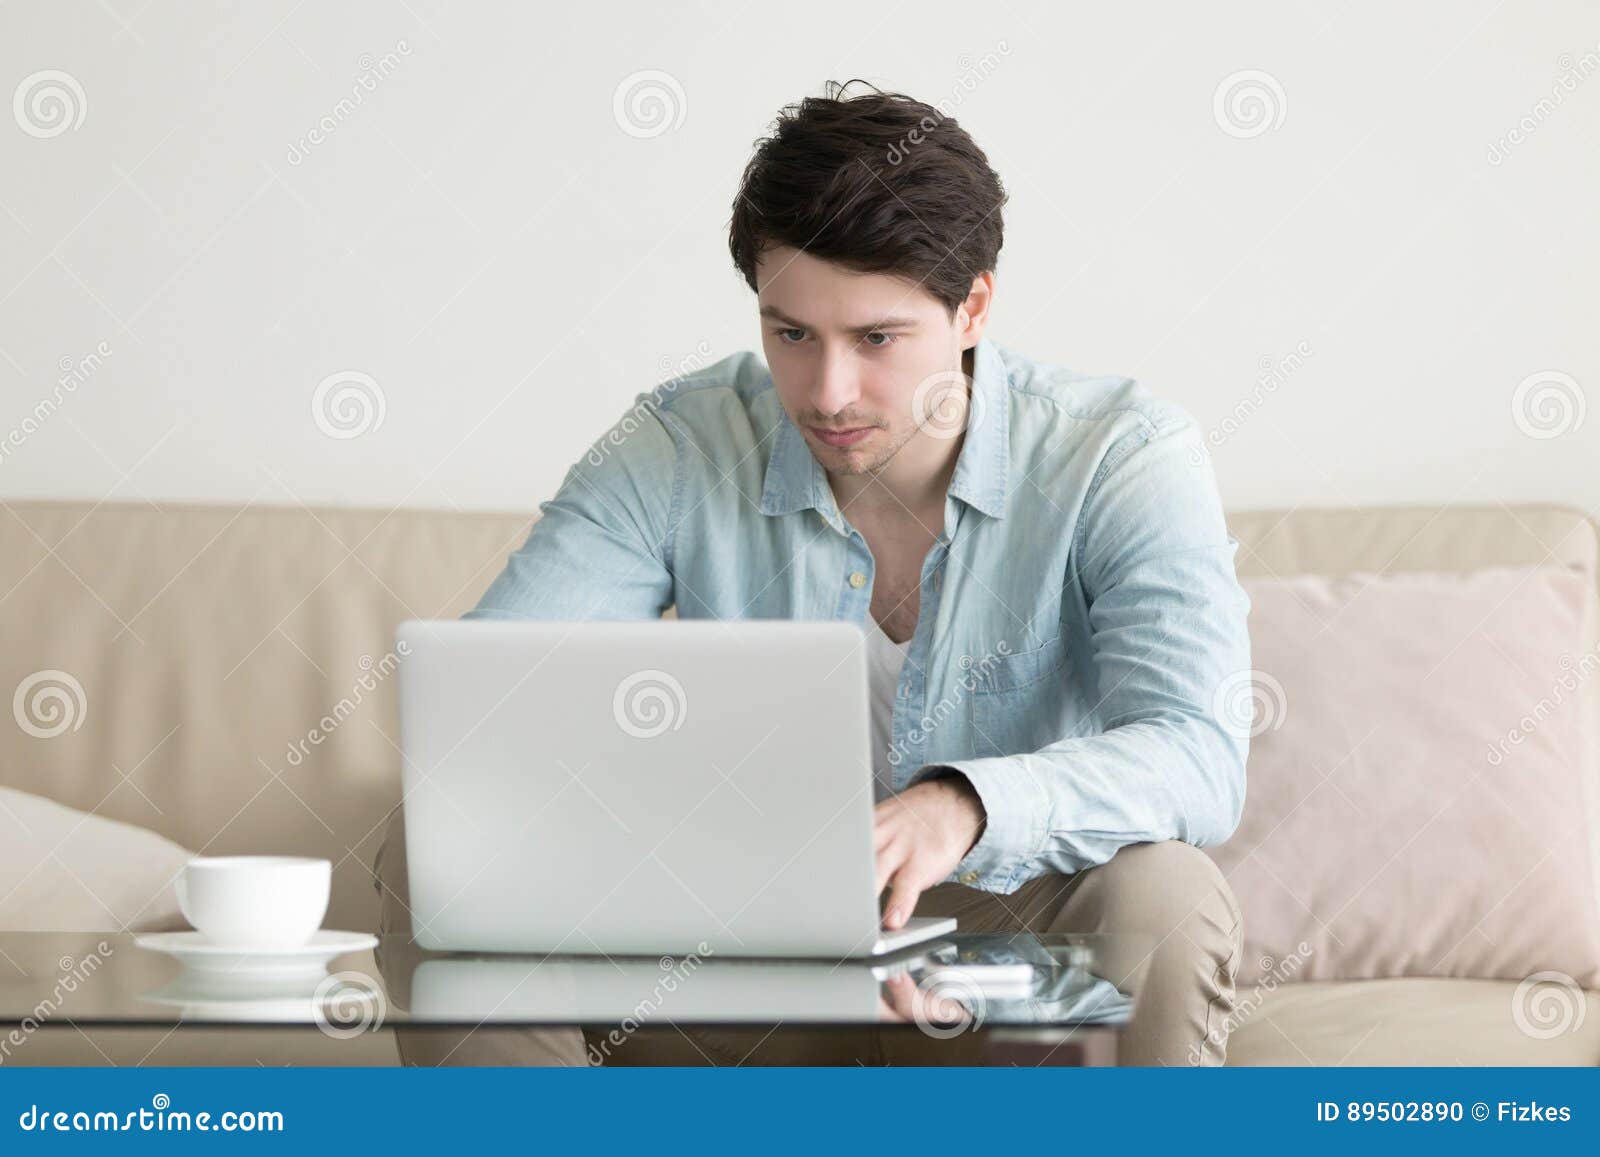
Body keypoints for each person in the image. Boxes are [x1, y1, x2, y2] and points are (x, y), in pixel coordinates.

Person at [374, 79, 1247, 1067]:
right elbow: (496, 714)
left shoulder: (1120, 454)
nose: (827, 393)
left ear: (972, 308)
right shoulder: (675, 442)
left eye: (875, 339)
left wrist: (961, 804)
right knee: (442, 834)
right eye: (789, 332)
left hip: (1003, 942)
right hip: (732, 941)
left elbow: (1198, 750)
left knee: (1164, 887)